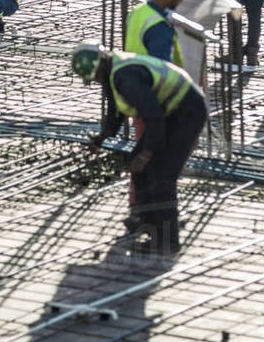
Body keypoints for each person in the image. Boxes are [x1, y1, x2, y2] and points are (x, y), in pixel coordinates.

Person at [72, 42, 207, 256]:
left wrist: (146, 154)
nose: (96, 81)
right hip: (169, 111)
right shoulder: (111, 72)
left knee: (162, 176)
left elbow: (154, 117)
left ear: (99, 67)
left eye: (95, 77)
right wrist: (100, 139)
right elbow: (116, 112)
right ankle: (148, 222)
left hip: (186, 111)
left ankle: (168, 241)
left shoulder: (125, 77)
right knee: (139, 167)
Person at [125, 0, 194, 67]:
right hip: (150, 77)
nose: (182, 0)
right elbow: (162, 71)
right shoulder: (160, 27)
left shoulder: (138, 11)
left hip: (132, 73)